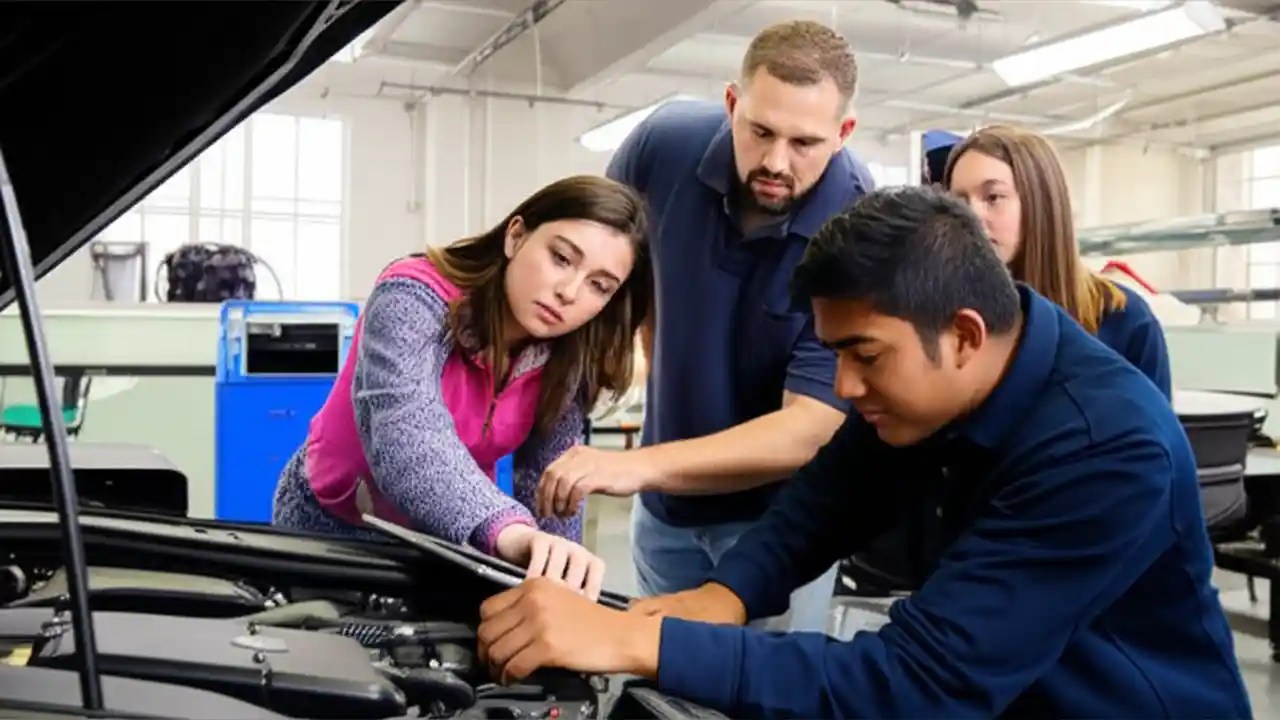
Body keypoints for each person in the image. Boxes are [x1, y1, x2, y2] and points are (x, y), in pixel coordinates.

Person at [473, 185, 1251, 719]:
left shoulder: (1103, 451)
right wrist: (728, 595)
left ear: (964, 334)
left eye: (865, 356)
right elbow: (826, 499)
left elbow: (921, 683)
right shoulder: (943, 386)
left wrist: (636, 640)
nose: (844, 384)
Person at [533, 20, 876, 632]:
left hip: (782, 529)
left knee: (768, 696)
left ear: (843, 134)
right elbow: (601, 295)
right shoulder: (662, 146)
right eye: (760, 130)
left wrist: (637, 465)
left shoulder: (859, 223)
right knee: (666, 691)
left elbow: (810, 427)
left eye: (805, 143)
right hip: (665, 519)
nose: (775, 161)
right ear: (730, 104)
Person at [272, 175, 652, 600]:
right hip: (332, 528)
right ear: (516, 236)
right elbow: (407, 438)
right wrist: (510, 532)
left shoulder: (569, 356)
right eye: (561, 258)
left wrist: (559, 583)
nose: (568, 292)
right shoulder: (412, 296)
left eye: (599, 285)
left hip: (450, 539)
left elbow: (549, 489)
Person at [944, 124, 1171, 398]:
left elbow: (1157, 435)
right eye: (958, 203)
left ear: (1040, 204)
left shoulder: (1125, 321)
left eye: (993, 197)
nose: (971, 217)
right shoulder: (950, 319)